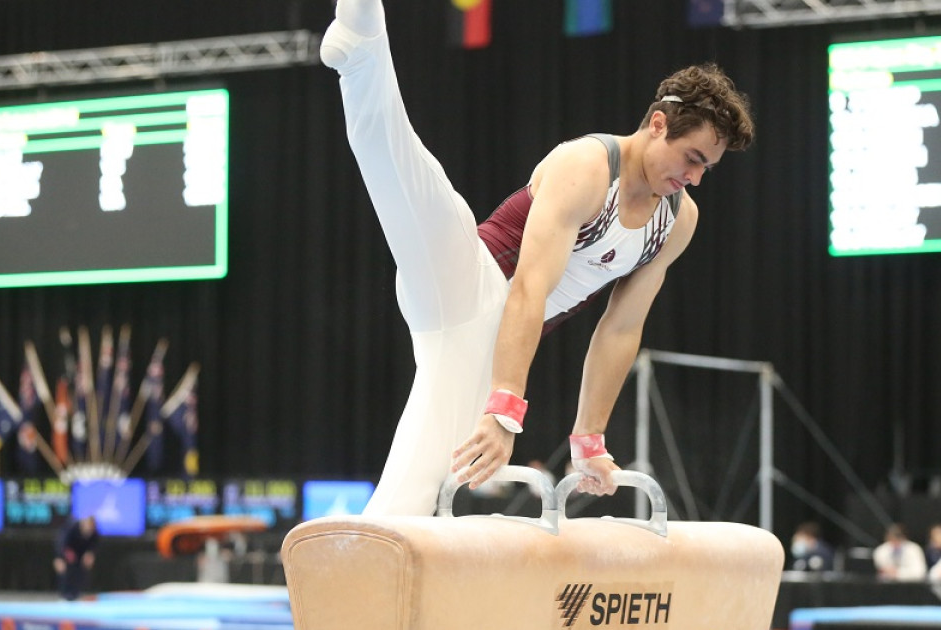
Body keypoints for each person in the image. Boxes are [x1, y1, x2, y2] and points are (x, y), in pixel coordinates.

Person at [319, 0, 754, 515]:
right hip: (469, 277)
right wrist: (505, 408)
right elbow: (528, 287)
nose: (695, 178)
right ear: (658, 124)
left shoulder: (678, 221)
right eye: (692, 158)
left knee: (415, 490)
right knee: (406, 174)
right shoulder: (588, 166)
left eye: (707, 168)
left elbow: (620, 329)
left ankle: (369, 555)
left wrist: (589, 438)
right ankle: (363, 44)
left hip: (485, 347)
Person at [53, 516, 98, 600]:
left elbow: (93, 546)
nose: (88, 530)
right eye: (87, 528)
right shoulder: (71, 528)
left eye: (91, 529)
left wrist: (90, 553)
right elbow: (61, 543)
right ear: (83, 525)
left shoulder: (94, 533)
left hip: (80, 555)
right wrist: (59, 557)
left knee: (82, 569)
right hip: (67, 552)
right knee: (64, 569)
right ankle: (64, 595)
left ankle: (77, 593)